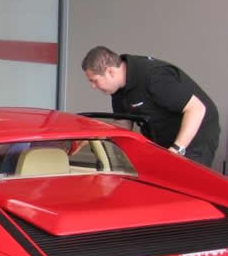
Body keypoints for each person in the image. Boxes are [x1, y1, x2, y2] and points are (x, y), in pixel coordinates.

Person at [82, 46, 220, 167]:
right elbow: (123, 124)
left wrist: (177, 149)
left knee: (184, 180)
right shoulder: (117, 89)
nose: (93, 87)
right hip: (163, 135)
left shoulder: (154, 78)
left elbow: (197, 109)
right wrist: (91, 137)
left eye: (94, 81)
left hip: (196, 131)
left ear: (110, 72)